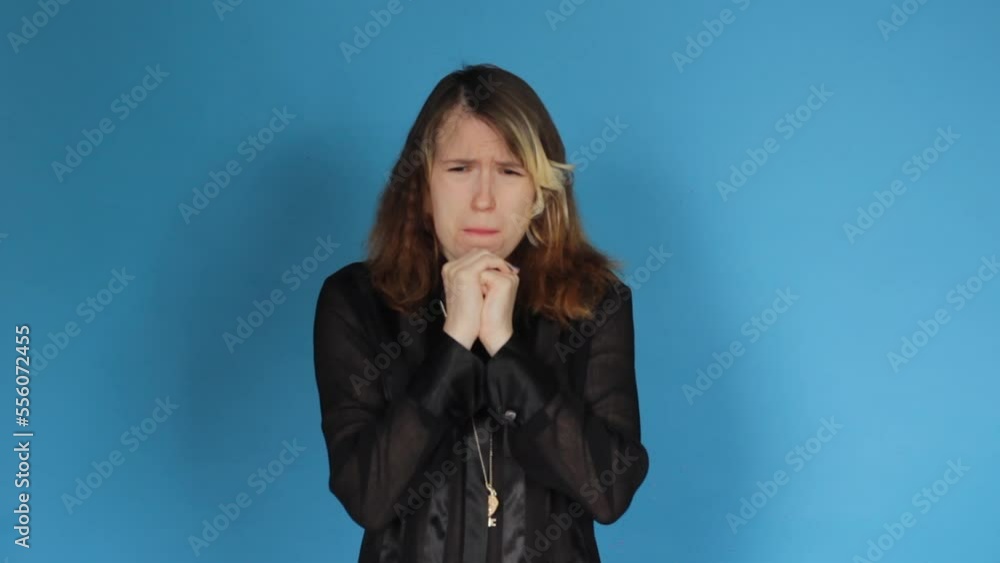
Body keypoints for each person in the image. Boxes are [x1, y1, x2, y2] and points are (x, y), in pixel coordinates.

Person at [313, 62, 649, 563]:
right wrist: (454, 342)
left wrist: (504, 345)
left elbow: (609, 492)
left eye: (510, 171)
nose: (485, 200)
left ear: (539, 192)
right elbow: (368, 494)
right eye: (460, 169)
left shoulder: (594, 302)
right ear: (421, 188)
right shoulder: (357, 302)